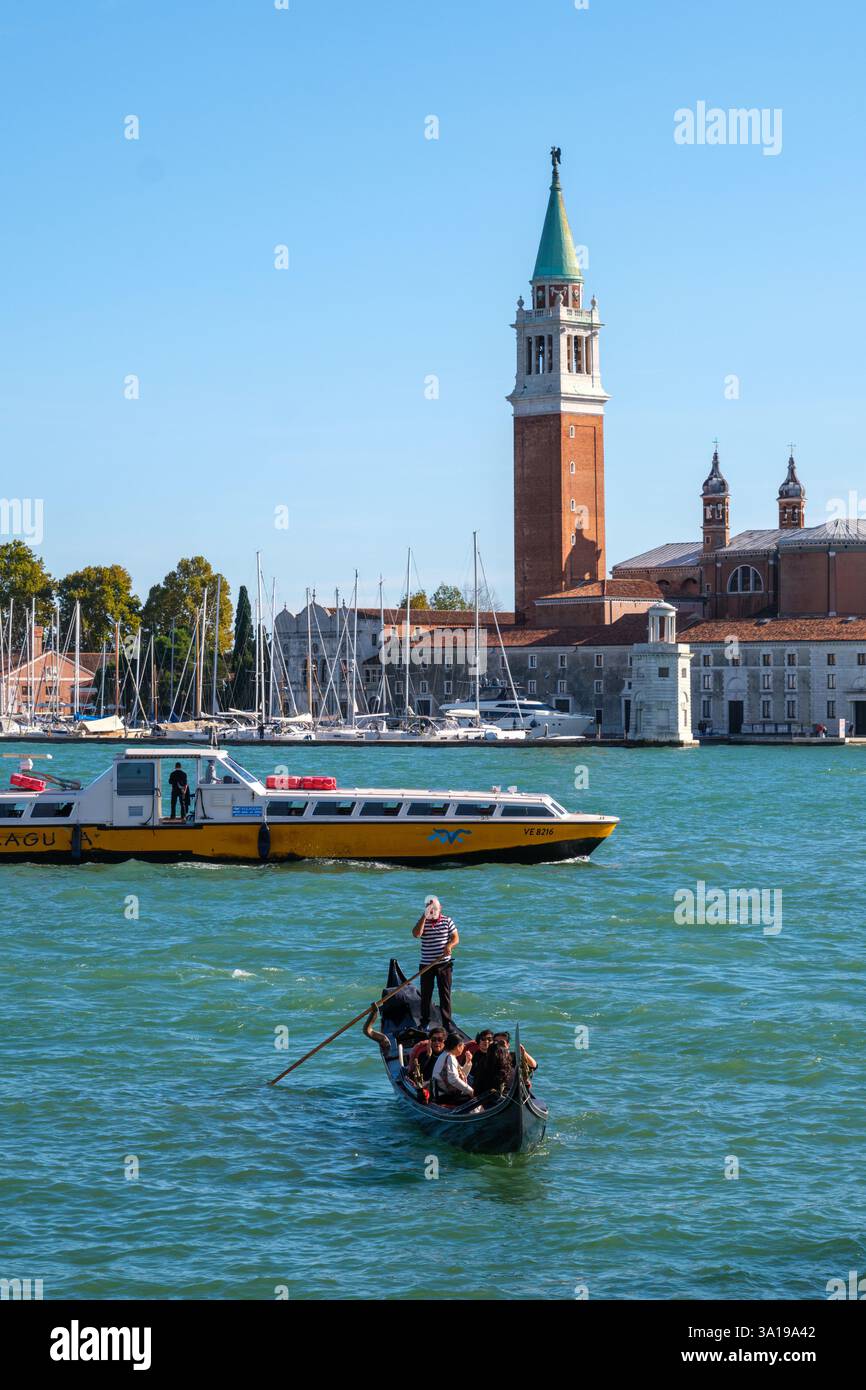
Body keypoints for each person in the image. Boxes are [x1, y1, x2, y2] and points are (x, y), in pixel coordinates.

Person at [412, 895, 459, 1032]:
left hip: (444, 964)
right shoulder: (424, 921)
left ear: (440, 908)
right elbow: (416, 934)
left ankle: (447, 1023)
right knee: (426, 994)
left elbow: (456, 938)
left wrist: (449, 945)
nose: (433, 912)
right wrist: (424, 916)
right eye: (430, 909)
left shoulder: (447, 921)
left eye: (435, 909)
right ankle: (425, 1021)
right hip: (427, 964)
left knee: (445, 995)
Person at [431, 1032, 475, 1102]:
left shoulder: (447, 1055)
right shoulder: (450, 1058)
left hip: (445, 1092)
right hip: (443, 1096)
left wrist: (468, 1062)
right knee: (474, 1099)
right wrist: (470, 1091)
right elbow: (453, 1079)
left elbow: (462, 1075)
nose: (463, 1048)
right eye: (463, 1046)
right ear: (457, 1046)